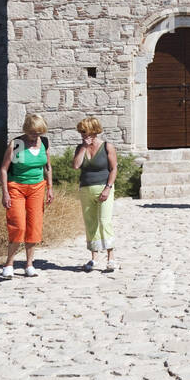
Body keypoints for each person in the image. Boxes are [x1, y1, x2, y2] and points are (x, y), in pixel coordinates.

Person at [0, 113, 52, 279]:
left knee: (34, 226)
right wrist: (5, 193)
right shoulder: (17, 144)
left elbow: (47, 167)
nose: (35, 136)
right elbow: (3, 169)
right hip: (16, 187)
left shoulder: (44, 142)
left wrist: (50, 188)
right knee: (18, 226)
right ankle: (9, 263)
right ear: (26, 130)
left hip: (37, 188)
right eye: (32, 133)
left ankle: (29, 264)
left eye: (38, 133)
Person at [72, 116, 119, 272]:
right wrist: (83, 148)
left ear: (94, 131)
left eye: (85, 132)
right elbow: (76, 166)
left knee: (105, 221)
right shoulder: (80, 148)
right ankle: (94, 257)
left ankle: (111, 258)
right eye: (81, 132)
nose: (82, 135)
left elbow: (113, 168)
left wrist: (108, 188)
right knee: (90, 222)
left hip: (103, 187)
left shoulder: (107, 147)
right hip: (86, 189)